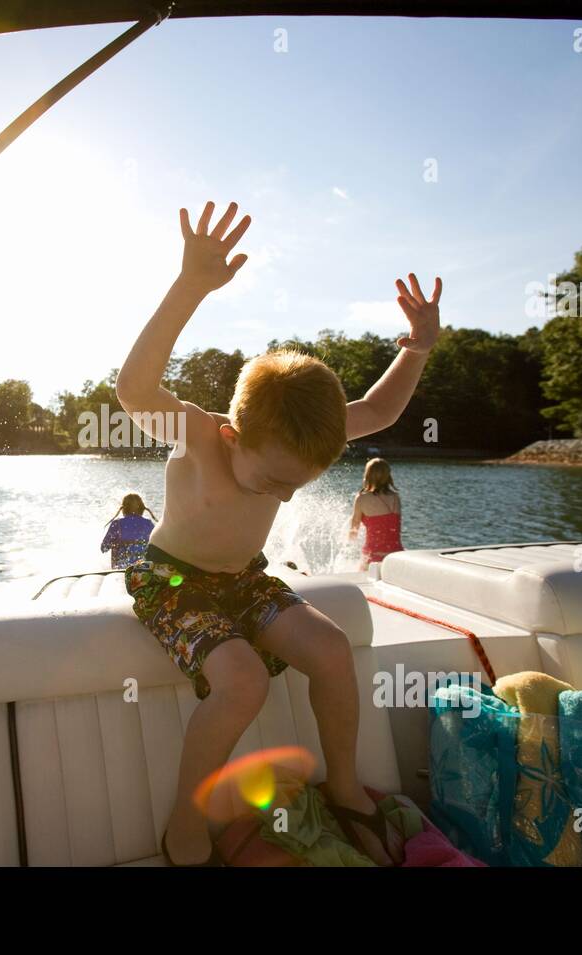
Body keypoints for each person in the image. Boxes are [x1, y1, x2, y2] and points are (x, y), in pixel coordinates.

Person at [115, 200, 441, 867]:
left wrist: (418, 346)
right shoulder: (200, 433)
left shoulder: (297, 434)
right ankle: (186, 815)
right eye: (272, 483)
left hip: (244, 579)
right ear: (233, 436)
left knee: (328, 645)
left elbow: (378, 407)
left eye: (298, 486)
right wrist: (190, 287)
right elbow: (133, 388)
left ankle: (345, 787)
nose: (284, 496)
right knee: (243, 682)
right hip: (173, 585)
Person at [350, 458, 404, 570]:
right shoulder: (395, 497)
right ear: (388, 476)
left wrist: (348, 545)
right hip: (396, 556)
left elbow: (354, 528)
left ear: (368, 475)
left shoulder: (362, 498)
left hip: (373, 557)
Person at [100, 493, 157, 568]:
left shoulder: (117, 524)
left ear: (124, 508)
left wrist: (115, 543)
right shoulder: (149, 524)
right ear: (141, 508)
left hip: (122, 569)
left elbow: (104, 548)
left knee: (115, 543)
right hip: (144, 569)